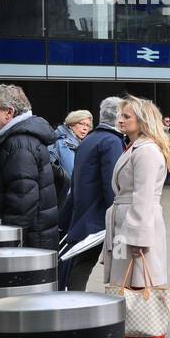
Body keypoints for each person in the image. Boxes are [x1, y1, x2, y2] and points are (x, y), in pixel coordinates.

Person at [103, 97, 170, 338]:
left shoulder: (145, 151)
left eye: (127, 116)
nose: (120, 120)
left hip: (136, 232)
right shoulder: (135, 147)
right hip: (128, 229)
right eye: (120, 116)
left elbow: (144, 199)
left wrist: (136, 241)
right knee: (132, 298)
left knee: (143, 296)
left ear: (143, 120)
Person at [0, 84, 60, 250]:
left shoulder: (18, 144)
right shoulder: (9, 140)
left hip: (9, 250)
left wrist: (6, 248)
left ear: (9, 112)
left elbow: (21, 205)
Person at [60, 97, 126, 290]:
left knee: (81, 263)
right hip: (99, 219)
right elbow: (111, 185)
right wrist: (117, 218)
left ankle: (72, 299)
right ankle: (75, 303)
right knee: (90, 264)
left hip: (84, 213)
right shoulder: (112, 142)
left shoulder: (90, 139)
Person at [50, 110, 92, 183]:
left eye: (88, 125)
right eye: (82, 124)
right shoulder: (63, 143)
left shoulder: (77, 142)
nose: (85, 128)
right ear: (71, 124)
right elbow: (71, 174)